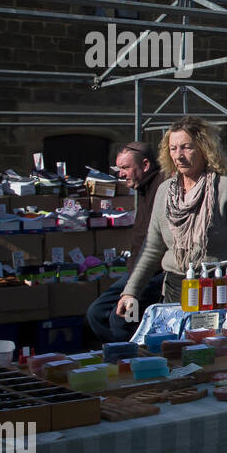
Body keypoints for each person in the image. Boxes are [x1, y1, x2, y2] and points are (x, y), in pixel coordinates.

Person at [116, 116, 227, 319]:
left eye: (186, 147)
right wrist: (130, 292)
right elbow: (152, 247)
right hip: (175, 291)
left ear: (204, 148)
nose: (179, 156)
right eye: (173, 148)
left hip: (220, 290)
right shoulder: (164, 191)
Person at [86, 141, 166, 342]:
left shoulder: (163, 188)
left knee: (122, 319)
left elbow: (155, 245)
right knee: (96, 313)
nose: (120, 174)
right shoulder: (143, 189)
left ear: (145, 165)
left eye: (125, 168)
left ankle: (131, 360)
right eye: (119, 168)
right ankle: (121, 354)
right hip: (135, 272)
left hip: (155, 274)